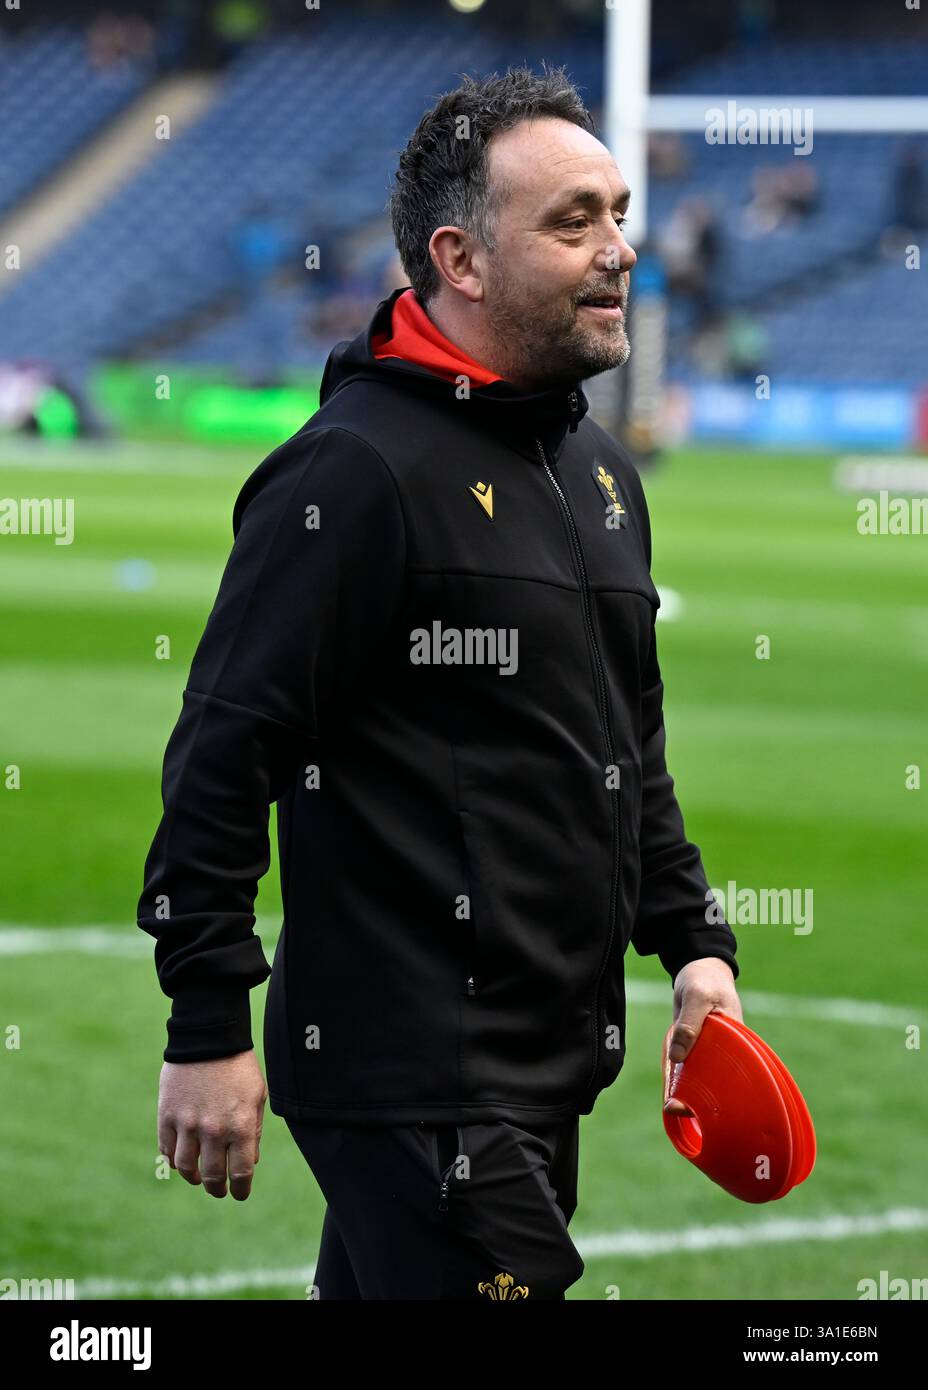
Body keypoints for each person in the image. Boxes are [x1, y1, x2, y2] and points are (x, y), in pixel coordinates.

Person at [138, 64, 742, 1301]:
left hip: (543, 1062)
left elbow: (625, 741)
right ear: (461, 259)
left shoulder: (599, 469)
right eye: (572, 222)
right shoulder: (349, 474)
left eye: (618, 212)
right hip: (410, 1068)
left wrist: (693, 943)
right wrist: (206, 1024)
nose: (619, 249)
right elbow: (223, 748)